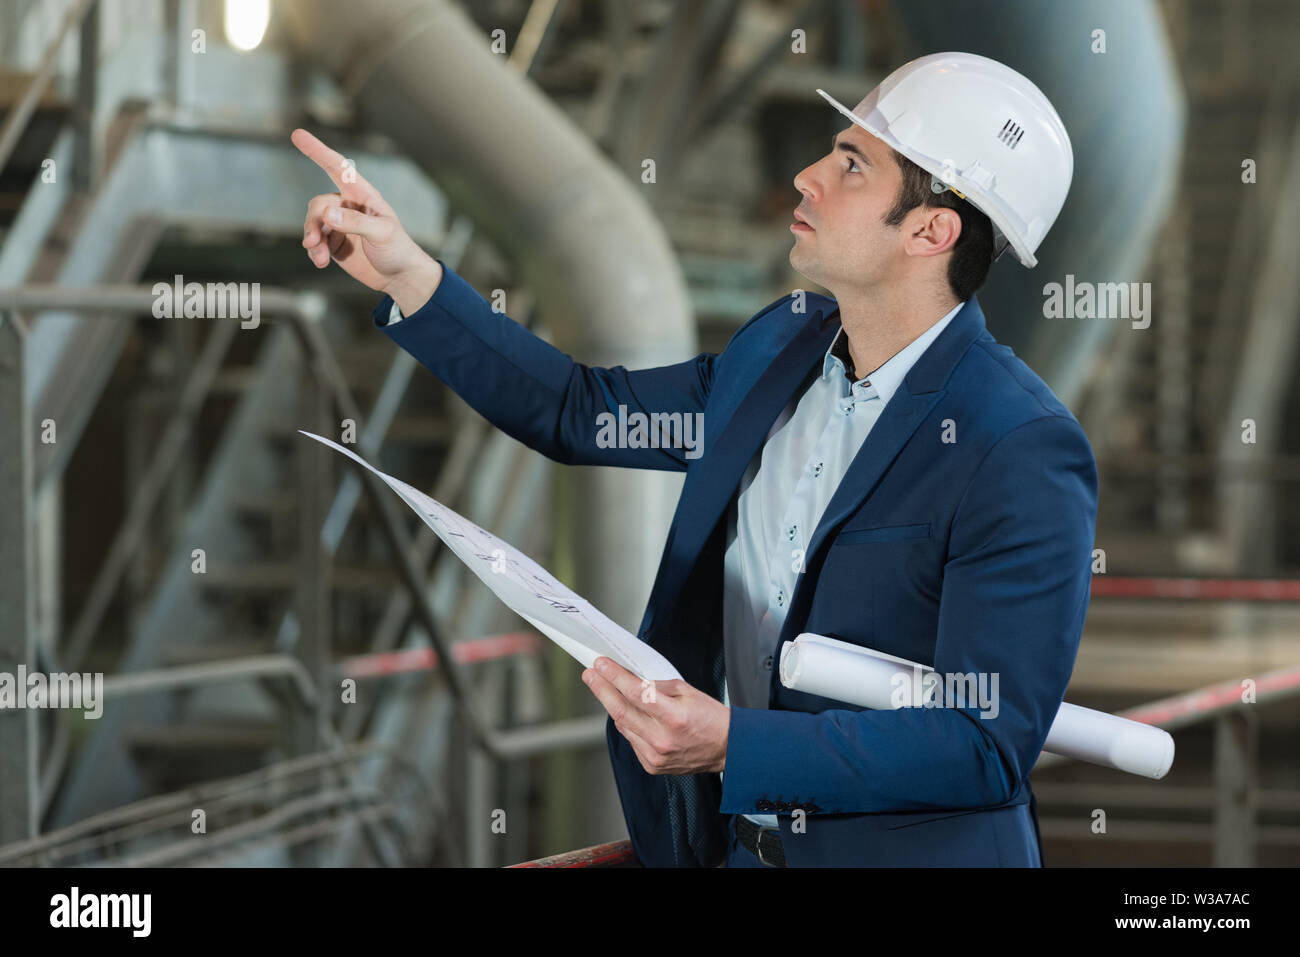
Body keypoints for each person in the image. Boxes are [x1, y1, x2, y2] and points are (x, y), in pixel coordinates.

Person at [291, 50, 1095, 867]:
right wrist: (409, 274)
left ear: (932, 230)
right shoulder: (778, 351)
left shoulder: (1017, 445)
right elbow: (583, 412)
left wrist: (732, 745)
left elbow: (982, 746)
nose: (808, 177)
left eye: (852, 166)